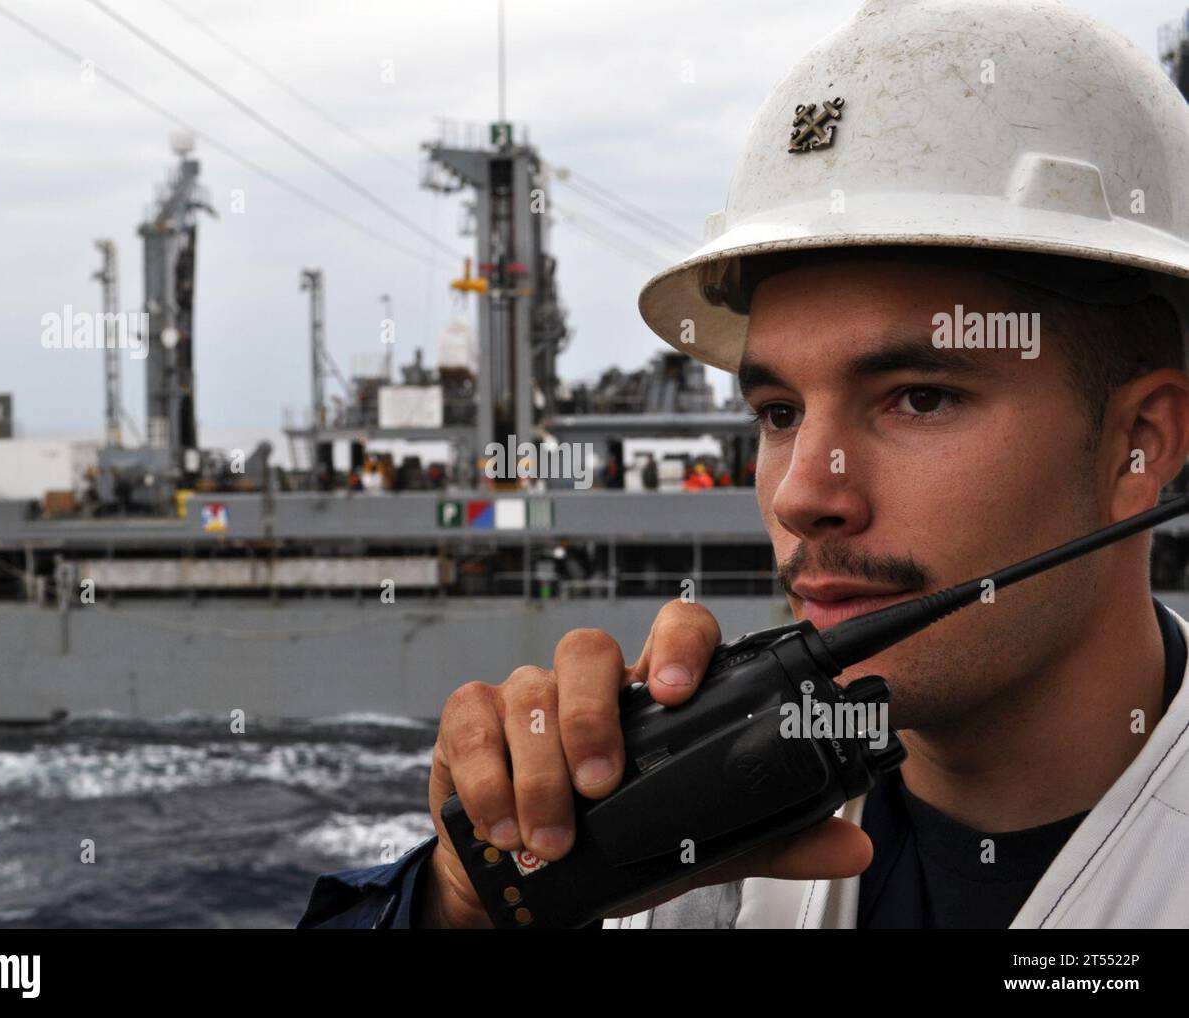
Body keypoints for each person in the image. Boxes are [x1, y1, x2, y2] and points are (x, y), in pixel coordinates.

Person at [298, 0, 1189, 929]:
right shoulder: (672, 864)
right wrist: (452, 904)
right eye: (777, 412)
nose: (804, 494)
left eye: (919, 397)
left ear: (1144, 440)